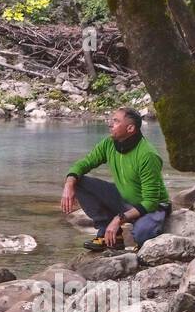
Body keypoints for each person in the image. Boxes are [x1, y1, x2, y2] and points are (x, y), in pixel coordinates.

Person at [60, 107, 170, 253]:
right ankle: (109, 235)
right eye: (112, 120)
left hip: (152, 207)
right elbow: (84, 164)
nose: (110, 124)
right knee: (79, 182)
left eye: (116, 121)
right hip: (124, 199)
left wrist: (118, 220)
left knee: (143, 234)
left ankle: (137, 242)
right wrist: (69, 184)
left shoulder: (148, 155)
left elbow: (150, 202)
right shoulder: (109, 143)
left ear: (130, 128)